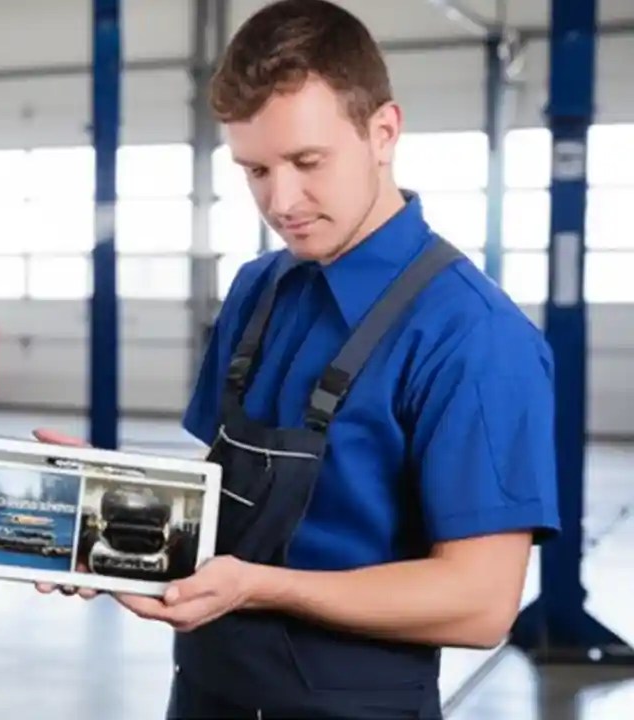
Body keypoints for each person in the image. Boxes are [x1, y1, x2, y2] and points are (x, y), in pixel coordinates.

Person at [34, 1, 560, 717]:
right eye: (254, 170)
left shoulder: (473, 337)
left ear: (383, 132)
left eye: (308, 162)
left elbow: (479, 603)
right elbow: (225, 491)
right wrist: (108, 504)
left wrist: (259, 587)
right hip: (206, 692)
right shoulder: (261, 288)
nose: (281, 201)